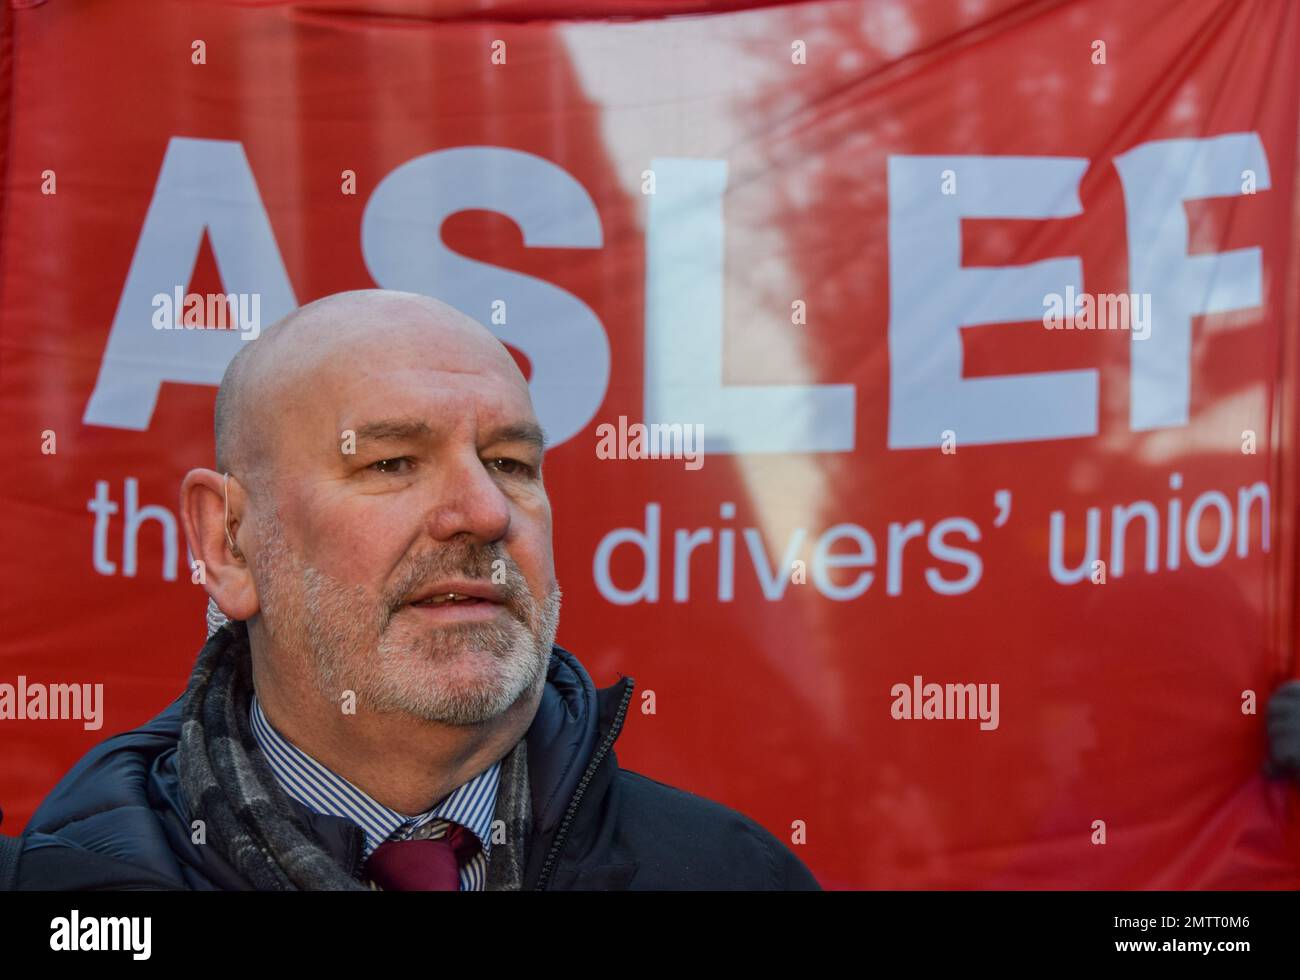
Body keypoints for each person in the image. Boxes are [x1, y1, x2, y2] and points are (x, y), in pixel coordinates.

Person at [7, 290, 819, 891]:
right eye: (391, 462)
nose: (484, 512)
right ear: (228, 542)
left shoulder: (734, 874)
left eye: (510, 463)